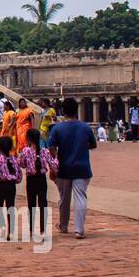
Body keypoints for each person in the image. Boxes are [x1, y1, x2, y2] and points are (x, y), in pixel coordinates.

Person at [46, 98, 96, 239]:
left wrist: (53, 166)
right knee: (80, 198)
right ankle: (79, 229)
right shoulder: (85, 127)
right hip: (82, 166)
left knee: (64, 198)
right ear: (76, 110)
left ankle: (63, 225)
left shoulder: (57, 128)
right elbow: (93, 145)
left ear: (63, 111)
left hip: (64, 167)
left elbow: (51, 148)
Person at [19, 127, 57, 240]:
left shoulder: (26, 151)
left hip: (31, 180)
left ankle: (31, 229)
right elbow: (53, 164)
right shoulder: (44, 151)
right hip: (41, 179)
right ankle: (43, 230)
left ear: (28, 139)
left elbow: (22, 164)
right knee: (43, 204)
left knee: (31, 204)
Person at [0, 135, 21, 241]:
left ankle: (3, 226)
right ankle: (11, 232)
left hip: (1, 184)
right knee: (10, 206)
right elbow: (19, 174)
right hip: (11, 185)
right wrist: (16, 180)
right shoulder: (14, 159)